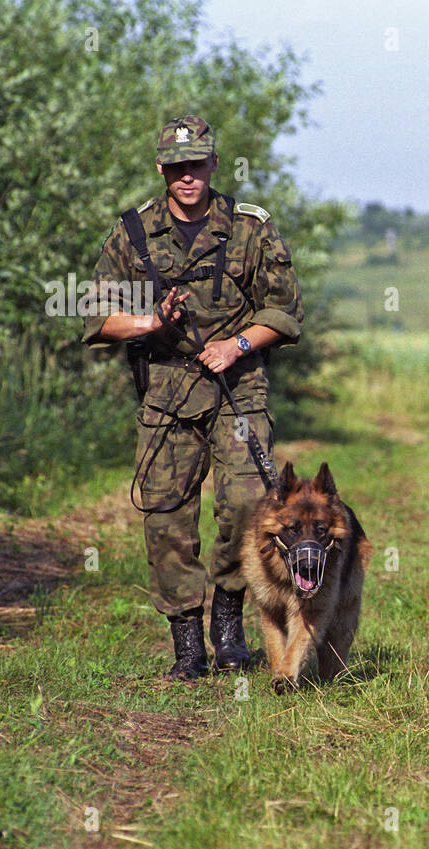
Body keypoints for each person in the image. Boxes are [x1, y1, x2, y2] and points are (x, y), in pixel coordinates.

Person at [83, 115, 305, 679]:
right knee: (165, 520)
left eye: (197, 164)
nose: (188, 176)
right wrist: (146, 322)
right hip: (166, 392)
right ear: (161, 168)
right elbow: (93, 316)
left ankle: (228, 625)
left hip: (237, 390)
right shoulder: (131, 234)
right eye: (176, 166)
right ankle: (187, 644)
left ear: (212, 164)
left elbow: (284, 312)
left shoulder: (250, 228)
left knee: (248, 509)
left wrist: (235, 344)